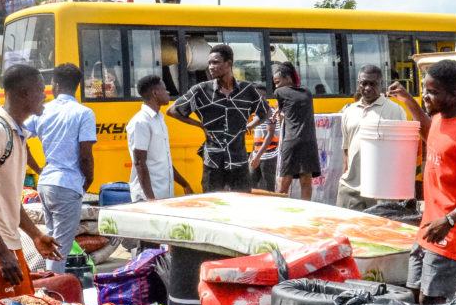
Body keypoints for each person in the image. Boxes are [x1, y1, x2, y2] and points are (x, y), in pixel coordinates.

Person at [388, 59, 456, 304]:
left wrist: (449, 220)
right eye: (424, 89)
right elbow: (433, 135)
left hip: (451, 231)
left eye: (433, 92)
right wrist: (407, 100)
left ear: (455, 95)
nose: (425, 96)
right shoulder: (440, 116)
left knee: (432, 304)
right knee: (412, 296)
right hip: (429, 227)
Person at [0, 64, 60, 305]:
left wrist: (36, 235)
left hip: (6, 244)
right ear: (24, 93)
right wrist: (2, 253)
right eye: (40, 90)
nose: (45, 96)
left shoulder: (16, 133)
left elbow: (9, 200)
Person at [168, 44, 270, 193]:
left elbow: (266, 112)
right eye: (209, 63)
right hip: (212, 162)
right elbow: (172, 111)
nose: (210, 67)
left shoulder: (247, 90)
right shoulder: (201, 90)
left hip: (239, 160)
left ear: (229, 64)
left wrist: (250, 126)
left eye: (215, 62)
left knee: (243, 202)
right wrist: (200, 125)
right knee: (212, 202)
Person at [30, 63, 96, 270]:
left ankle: (50, 283)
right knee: (60, 249)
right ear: (77, 86)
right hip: (67, 184)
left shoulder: (43, 111)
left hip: (46, 182)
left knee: (52, 242)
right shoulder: (84, 113)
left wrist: (37, 168)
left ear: (55, 85)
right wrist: (88, 180)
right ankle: (53, 287)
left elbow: (18, 136)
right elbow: (85, 156)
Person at [337, 64, 407, 211]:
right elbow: (346, 150)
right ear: (358, 84)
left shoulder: (396, 111)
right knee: (346, 225)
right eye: (364, 83)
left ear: (381, 84)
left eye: (373, 84)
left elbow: (403, 152)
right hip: (350, 187)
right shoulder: (349, 112)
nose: (367, 88)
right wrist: (345, 175)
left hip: (382, 190)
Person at [252, 62, 317, 200]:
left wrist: (279, 109)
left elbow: (281, 106)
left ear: (288, 78)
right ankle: (307, 208)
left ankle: (279, 208)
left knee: (284, 182)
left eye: (277, 82)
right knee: (306, 180)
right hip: (309, 141)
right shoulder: (307, 92)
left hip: (291, 142)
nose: (276, 86)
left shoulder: (279, 92)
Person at [126, 74, 193, 202]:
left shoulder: (159, 119)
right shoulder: (141, 122)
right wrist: (150, 199)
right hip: (149, 197)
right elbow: (139, 162)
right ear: (155, 93)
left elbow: (165, 161)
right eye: (165, 89)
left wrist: (184, 184)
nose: (168, 93)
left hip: (163, 194)